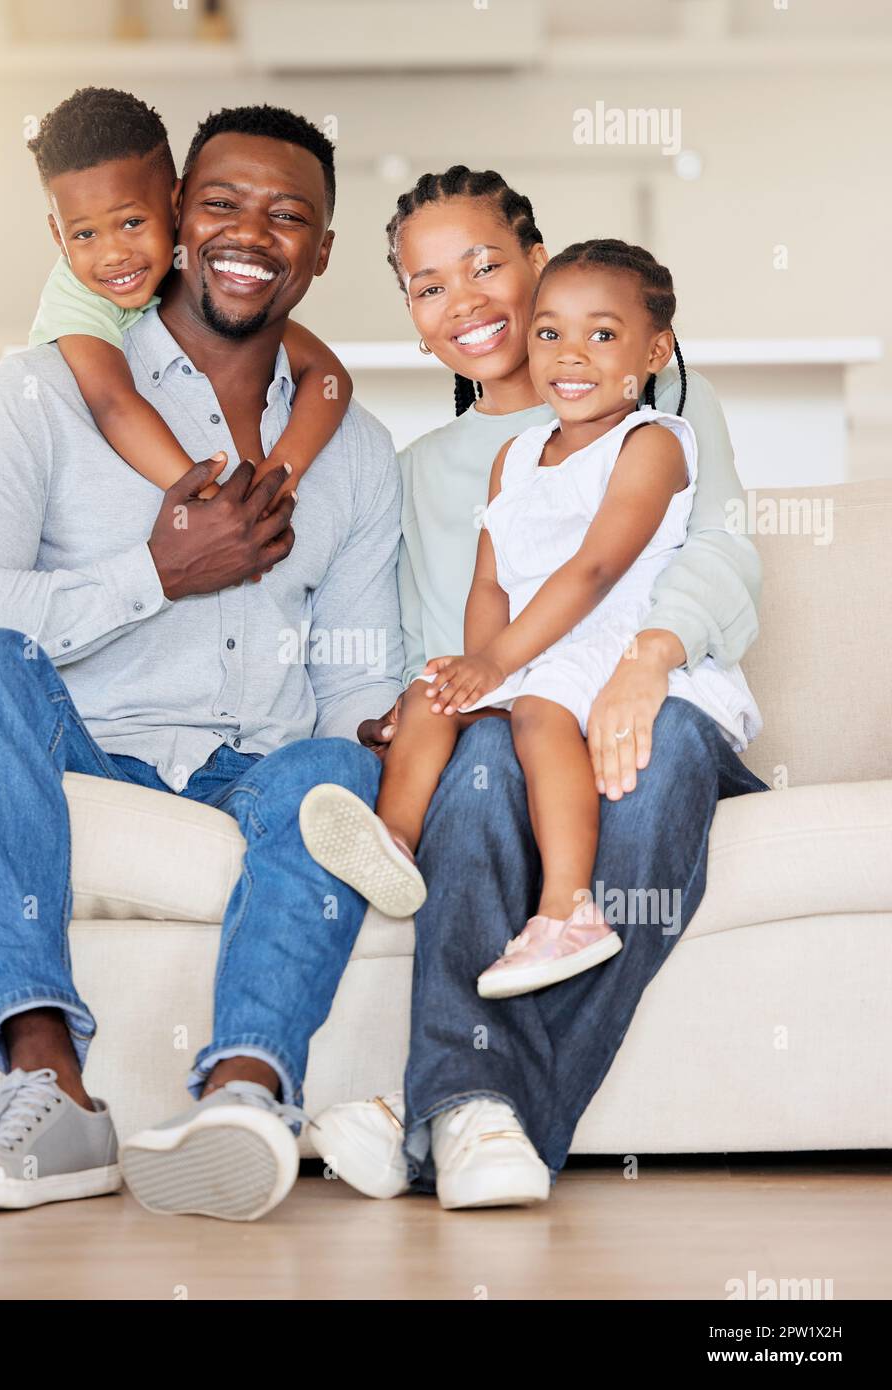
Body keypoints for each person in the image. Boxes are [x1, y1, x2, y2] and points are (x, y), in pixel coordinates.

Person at [0, 102, 404, 1223]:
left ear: (319, 255)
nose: (248, 233)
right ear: (175, 217)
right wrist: (154, 574)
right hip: (83, 749)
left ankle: (246, 1093)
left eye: (288, 217)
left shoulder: (358, 454)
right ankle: (49, 1091)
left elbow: (361, 670)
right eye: (220, 203)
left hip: (256, 765)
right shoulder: (37, 391)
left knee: (339, 771)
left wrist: (389, 740)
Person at [310, 168, 770, 1213]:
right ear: (414, 319)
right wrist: (432, 699)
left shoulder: (667, 414)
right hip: (511, 701)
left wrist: (643, 661)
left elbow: (721, 562)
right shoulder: (438, 466)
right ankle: (468, 1109)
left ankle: (445, 1109)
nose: (464, 301)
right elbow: (442, 629)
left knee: (646, 772)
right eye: (427, 286)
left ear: (536, 267)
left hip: (657, 683)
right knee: (474, 774)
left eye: (484, 266)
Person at [25, 87, 352, 507]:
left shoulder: (172, 266)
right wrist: (212, 501)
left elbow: (329, 373)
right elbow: (114, 405)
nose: (115, 255)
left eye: (132, 222)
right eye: (85, 234)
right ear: (59, 236)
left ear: (174, 206)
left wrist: (283, 469)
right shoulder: (79, 305)